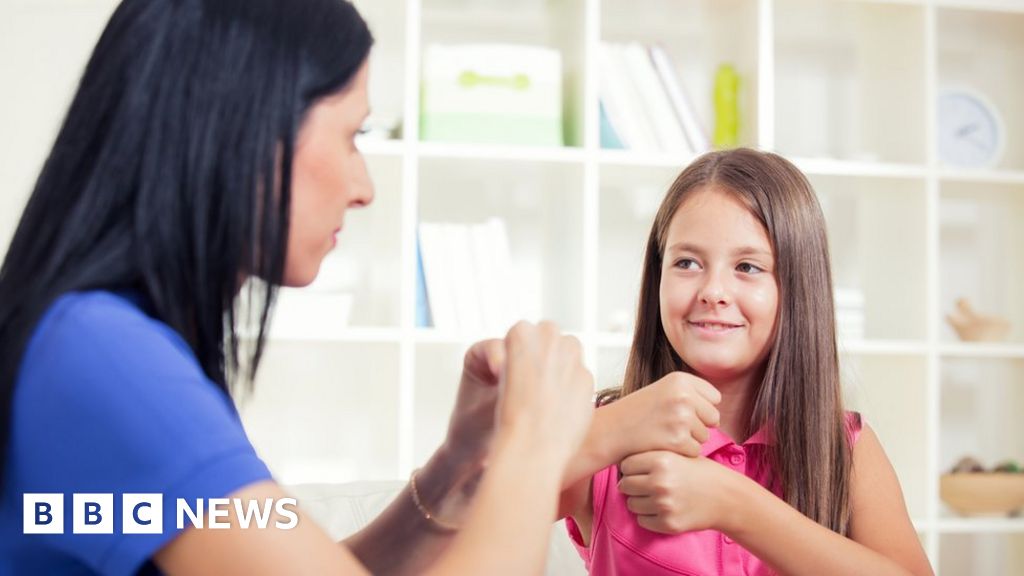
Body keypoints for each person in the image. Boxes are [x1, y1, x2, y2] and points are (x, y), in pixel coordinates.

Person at [0, 0, 595, 574]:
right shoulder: (105, 357)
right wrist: (534, 446)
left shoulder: (104, 343)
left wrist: (457, 471)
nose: (365, 187)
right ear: (245, 129)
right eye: (352, 135)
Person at [556, 149, 935, 575]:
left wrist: (734, 505)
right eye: (687, 262)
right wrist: (609, 430)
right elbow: (473, 517)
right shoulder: (603, 438)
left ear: (796, 288)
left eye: (748, 267)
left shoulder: (846, 448)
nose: (713, 290)